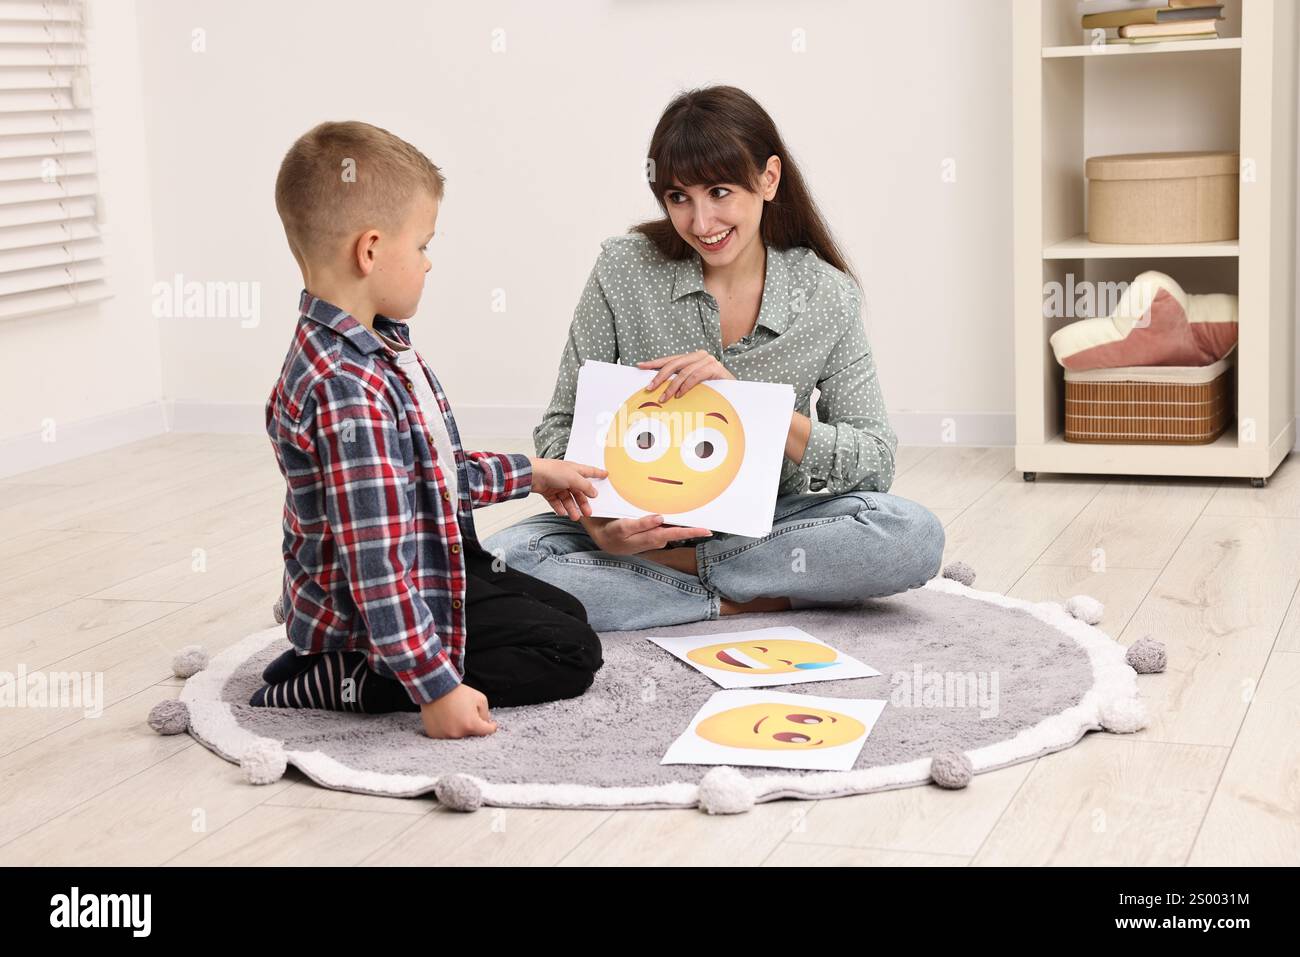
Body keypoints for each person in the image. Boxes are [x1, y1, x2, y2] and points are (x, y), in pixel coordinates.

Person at [485, 86, 945, 632]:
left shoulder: (825, 293)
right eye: (679, 197)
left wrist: (753, 411)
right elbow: (561, 426)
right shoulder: (622, 267)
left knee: (911, 534)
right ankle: (747, 600)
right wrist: (601, 525)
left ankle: (666, 586)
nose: (701, 222)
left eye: (720, 192)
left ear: (769, 179)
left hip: (768, 527)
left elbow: (873, 462)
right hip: (633, 526)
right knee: (501, 562)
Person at [256, 120, 608, 739]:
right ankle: (352, 678)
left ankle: (332, 659)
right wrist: (436, 688)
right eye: (421, 245)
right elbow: (376, 566)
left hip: (435, 562)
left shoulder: (378, 350)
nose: (428, 262)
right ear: (370, 251)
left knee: (567, 614)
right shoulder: (347, 390)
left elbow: (432, 475)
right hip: (374, 607)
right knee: (567, 653)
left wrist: (532, 473)